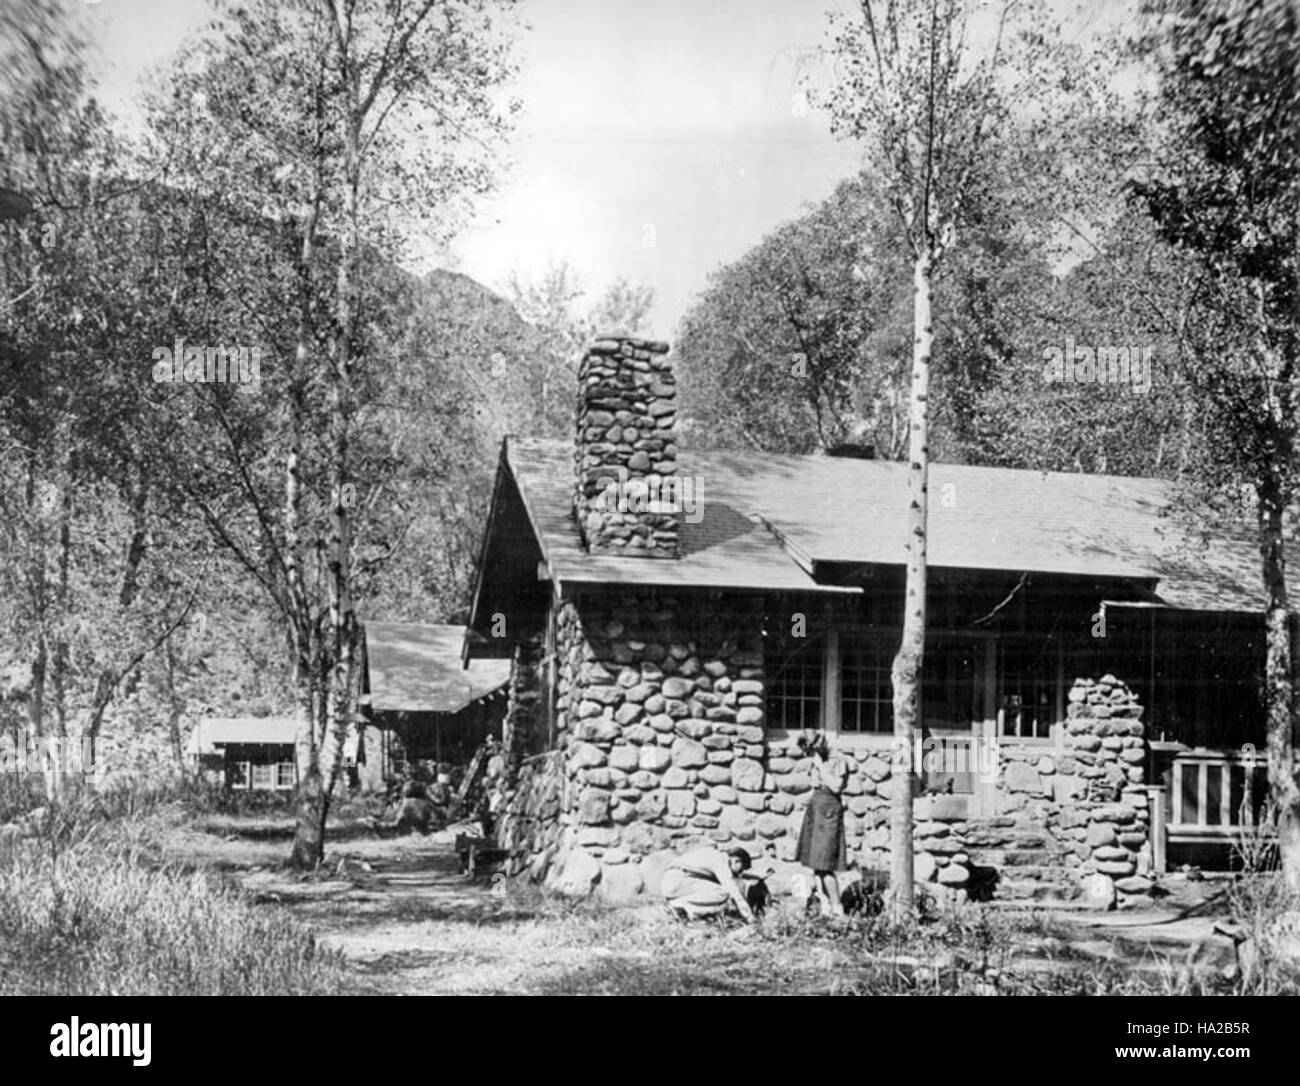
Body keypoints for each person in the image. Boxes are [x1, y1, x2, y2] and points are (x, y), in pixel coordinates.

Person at [795, 730, 848, 917]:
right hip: (816, 809)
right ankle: (825, 907)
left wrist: (820, 765)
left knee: (826, 864)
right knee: (815, 863)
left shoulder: (838, 758)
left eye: (812, 748)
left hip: (829, 811)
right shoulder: (815, 759)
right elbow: (814, 786)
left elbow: (836, 786)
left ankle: (837, 908)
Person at [661, 846, 757, 923]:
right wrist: (749, 916)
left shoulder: (714, 854)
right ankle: (678, 906)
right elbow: (732, 890)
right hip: (678, 880)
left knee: (717, 894)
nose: (739, 874)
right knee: (722, 893)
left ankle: (677, 907)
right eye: (741, 869)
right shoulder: (721, 862)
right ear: (736, 860)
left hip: (673, 880)